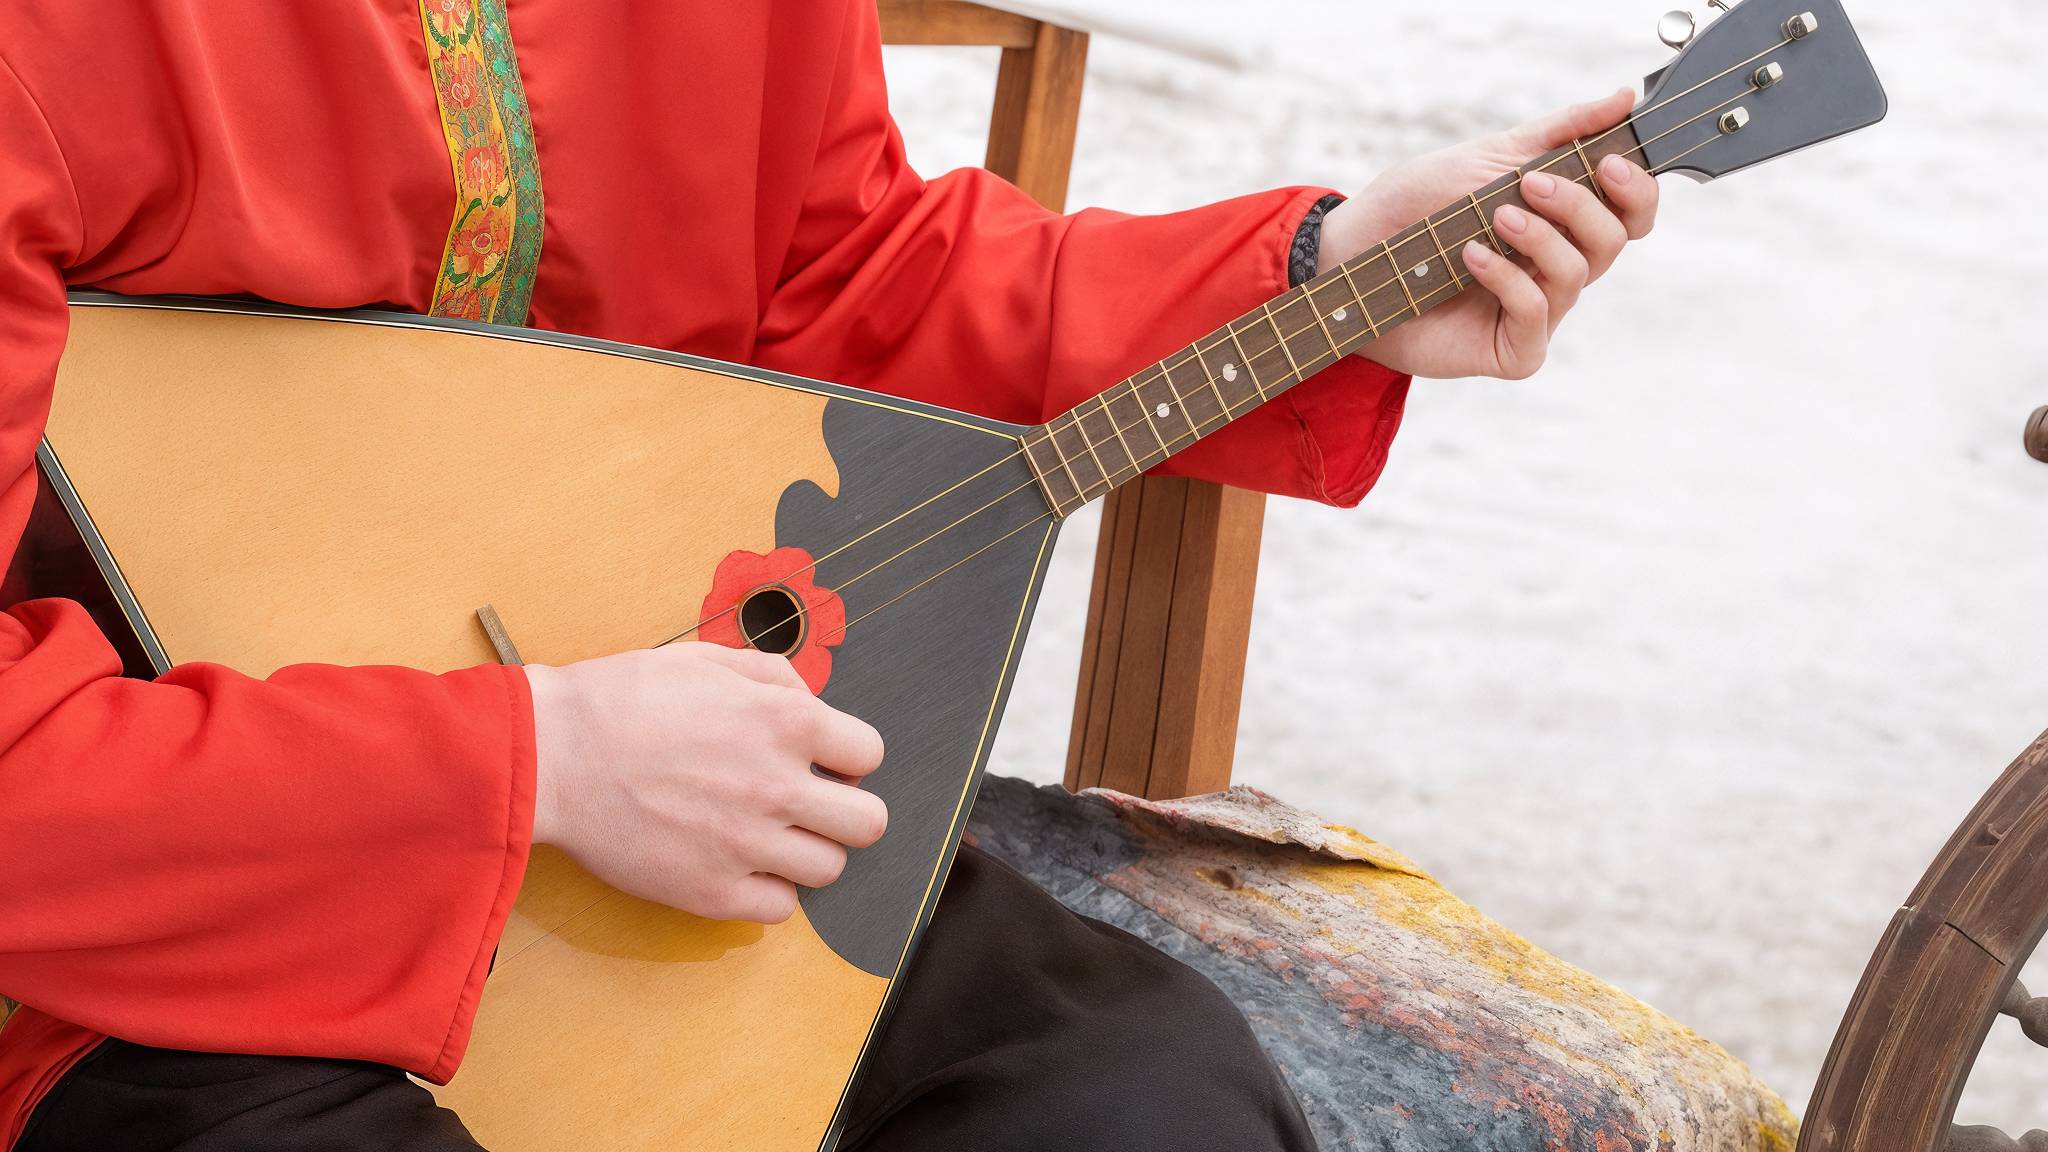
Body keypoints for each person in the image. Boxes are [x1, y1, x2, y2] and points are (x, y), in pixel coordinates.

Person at [0, 2, 1659, 1149]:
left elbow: (841, 277)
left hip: (656, 796)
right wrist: (542, 762)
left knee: (1137, 1099)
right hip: (148, 911)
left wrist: (1324, 275)